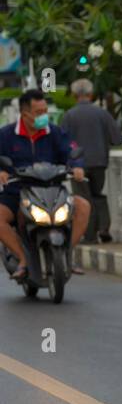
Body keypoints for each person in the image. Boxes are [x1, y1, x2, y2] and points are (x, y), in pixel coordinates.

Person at [0, 89, 92, 280]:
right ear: (25, 114)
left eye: (45, 111)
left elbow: (71, 151)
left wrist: (77, 167)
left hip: (53, 191)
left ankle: (67, 253)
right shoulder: (6, 135)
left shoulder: (55, 132)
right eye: (39, 112)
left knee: (83, 206)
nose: (44, 116)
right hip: (17, 191)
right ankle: (23, 258)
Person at [60, 78, 122, 243]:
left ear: (74, 95)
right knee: (98, 195)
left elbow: (62, 142)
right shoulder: (102, 114)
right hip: (99, 162)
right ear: (91, 94)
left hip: (77, 164)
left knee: (83, 199)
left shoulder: (69, 115)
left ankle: (89, 235)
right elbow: (116, 138)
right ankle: (103, 228)